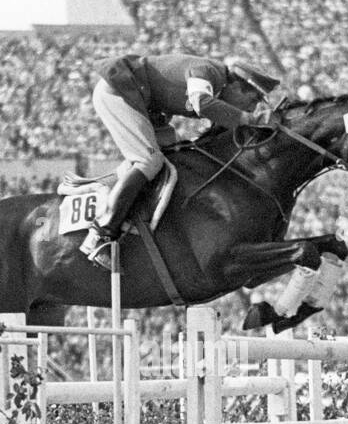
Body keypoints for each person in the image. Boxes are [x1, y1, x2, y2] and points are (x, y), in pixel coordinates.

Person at [81, 53, 282, 267]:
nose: (251, 109)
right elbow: (201, 103)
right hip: (119, 93)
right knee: (149, 161)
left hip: (143, 103)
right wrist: (251, 120)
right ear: (237, 87)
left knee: (177, 157)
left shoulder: (219, 86)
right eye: (252, 101)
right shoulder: (207, 71)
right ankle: (100, 235)